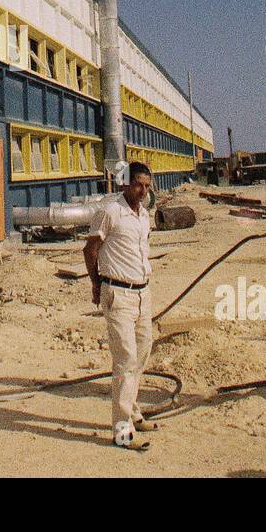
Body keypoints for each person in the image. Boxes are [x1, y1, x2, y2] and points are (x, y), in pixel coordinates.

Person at [83, 161, 155, 450]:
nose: (143, 190)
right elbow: (90, 249)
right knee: (125, 359)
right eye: (139, 184)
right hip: (118, 293)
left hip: (142, 293)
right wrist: (96, 284)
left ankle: (134, 413)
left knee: (141, 354)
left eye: (147, 186)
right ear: (126, 184)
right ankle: (122, 429)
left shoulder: (144, 216)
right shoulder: (110, 212)